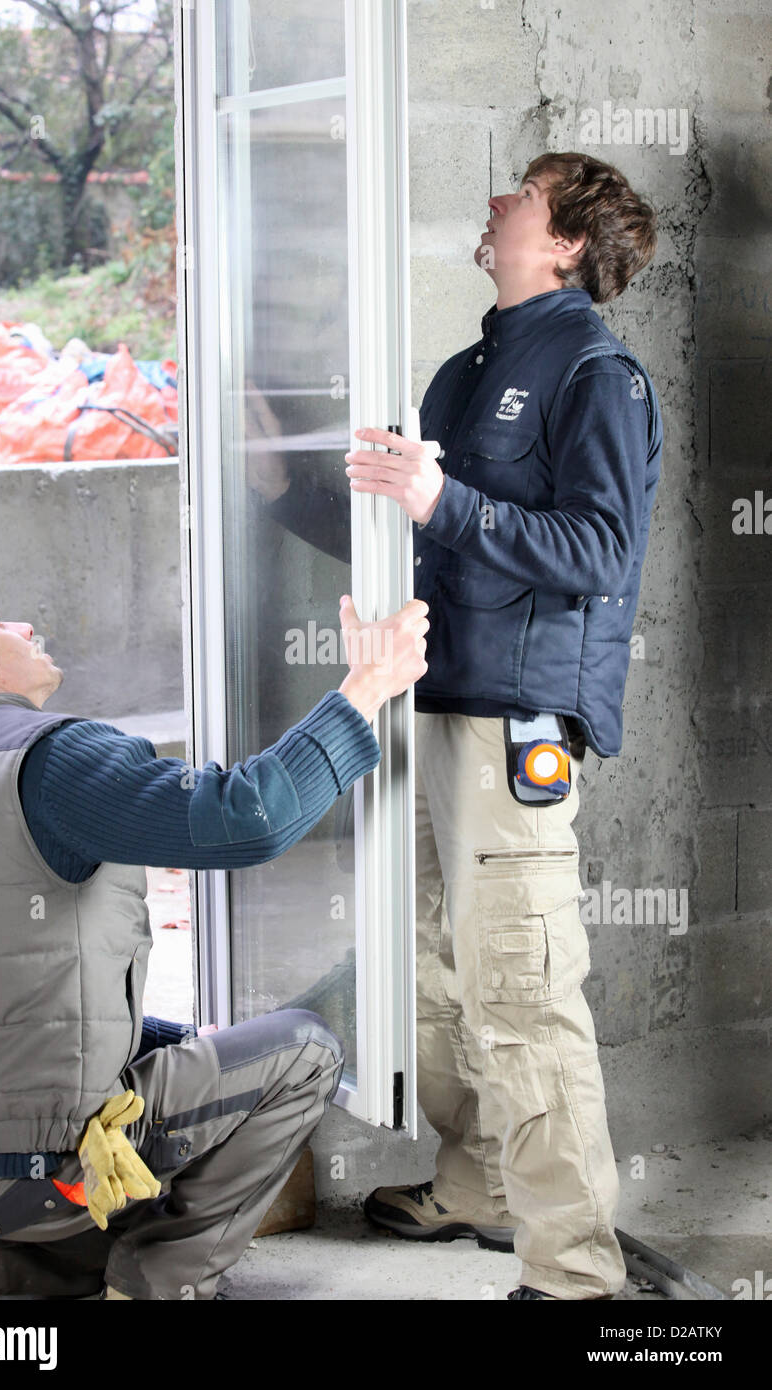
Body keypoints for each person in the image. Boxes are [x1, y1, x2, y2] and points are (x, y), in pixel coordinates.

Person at [250, 151, 663, 1300]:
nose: (493, 202)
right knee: (431, 972)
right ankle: (478, 1183)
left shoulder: (597, 373)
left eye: (519, 195)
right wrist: (280, 483)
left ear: (567, 240)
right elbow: (425, 539)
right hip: (431, 699)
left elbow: (596, 552)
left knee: (520, 996)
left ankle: (576, 1274)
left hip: (508, 723)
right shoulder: (465, 370)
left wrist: (444, 497)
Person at [0, 582, 428, 1300]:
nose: (26, 622)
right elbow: (246, 815)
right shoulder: (53, 757)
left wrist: (173, 1040)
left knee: (139, 1071)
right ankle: (153, 1284)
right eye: (1, 623)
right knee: (307, 1053)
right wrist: (368, 684)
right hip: (48, 1172)